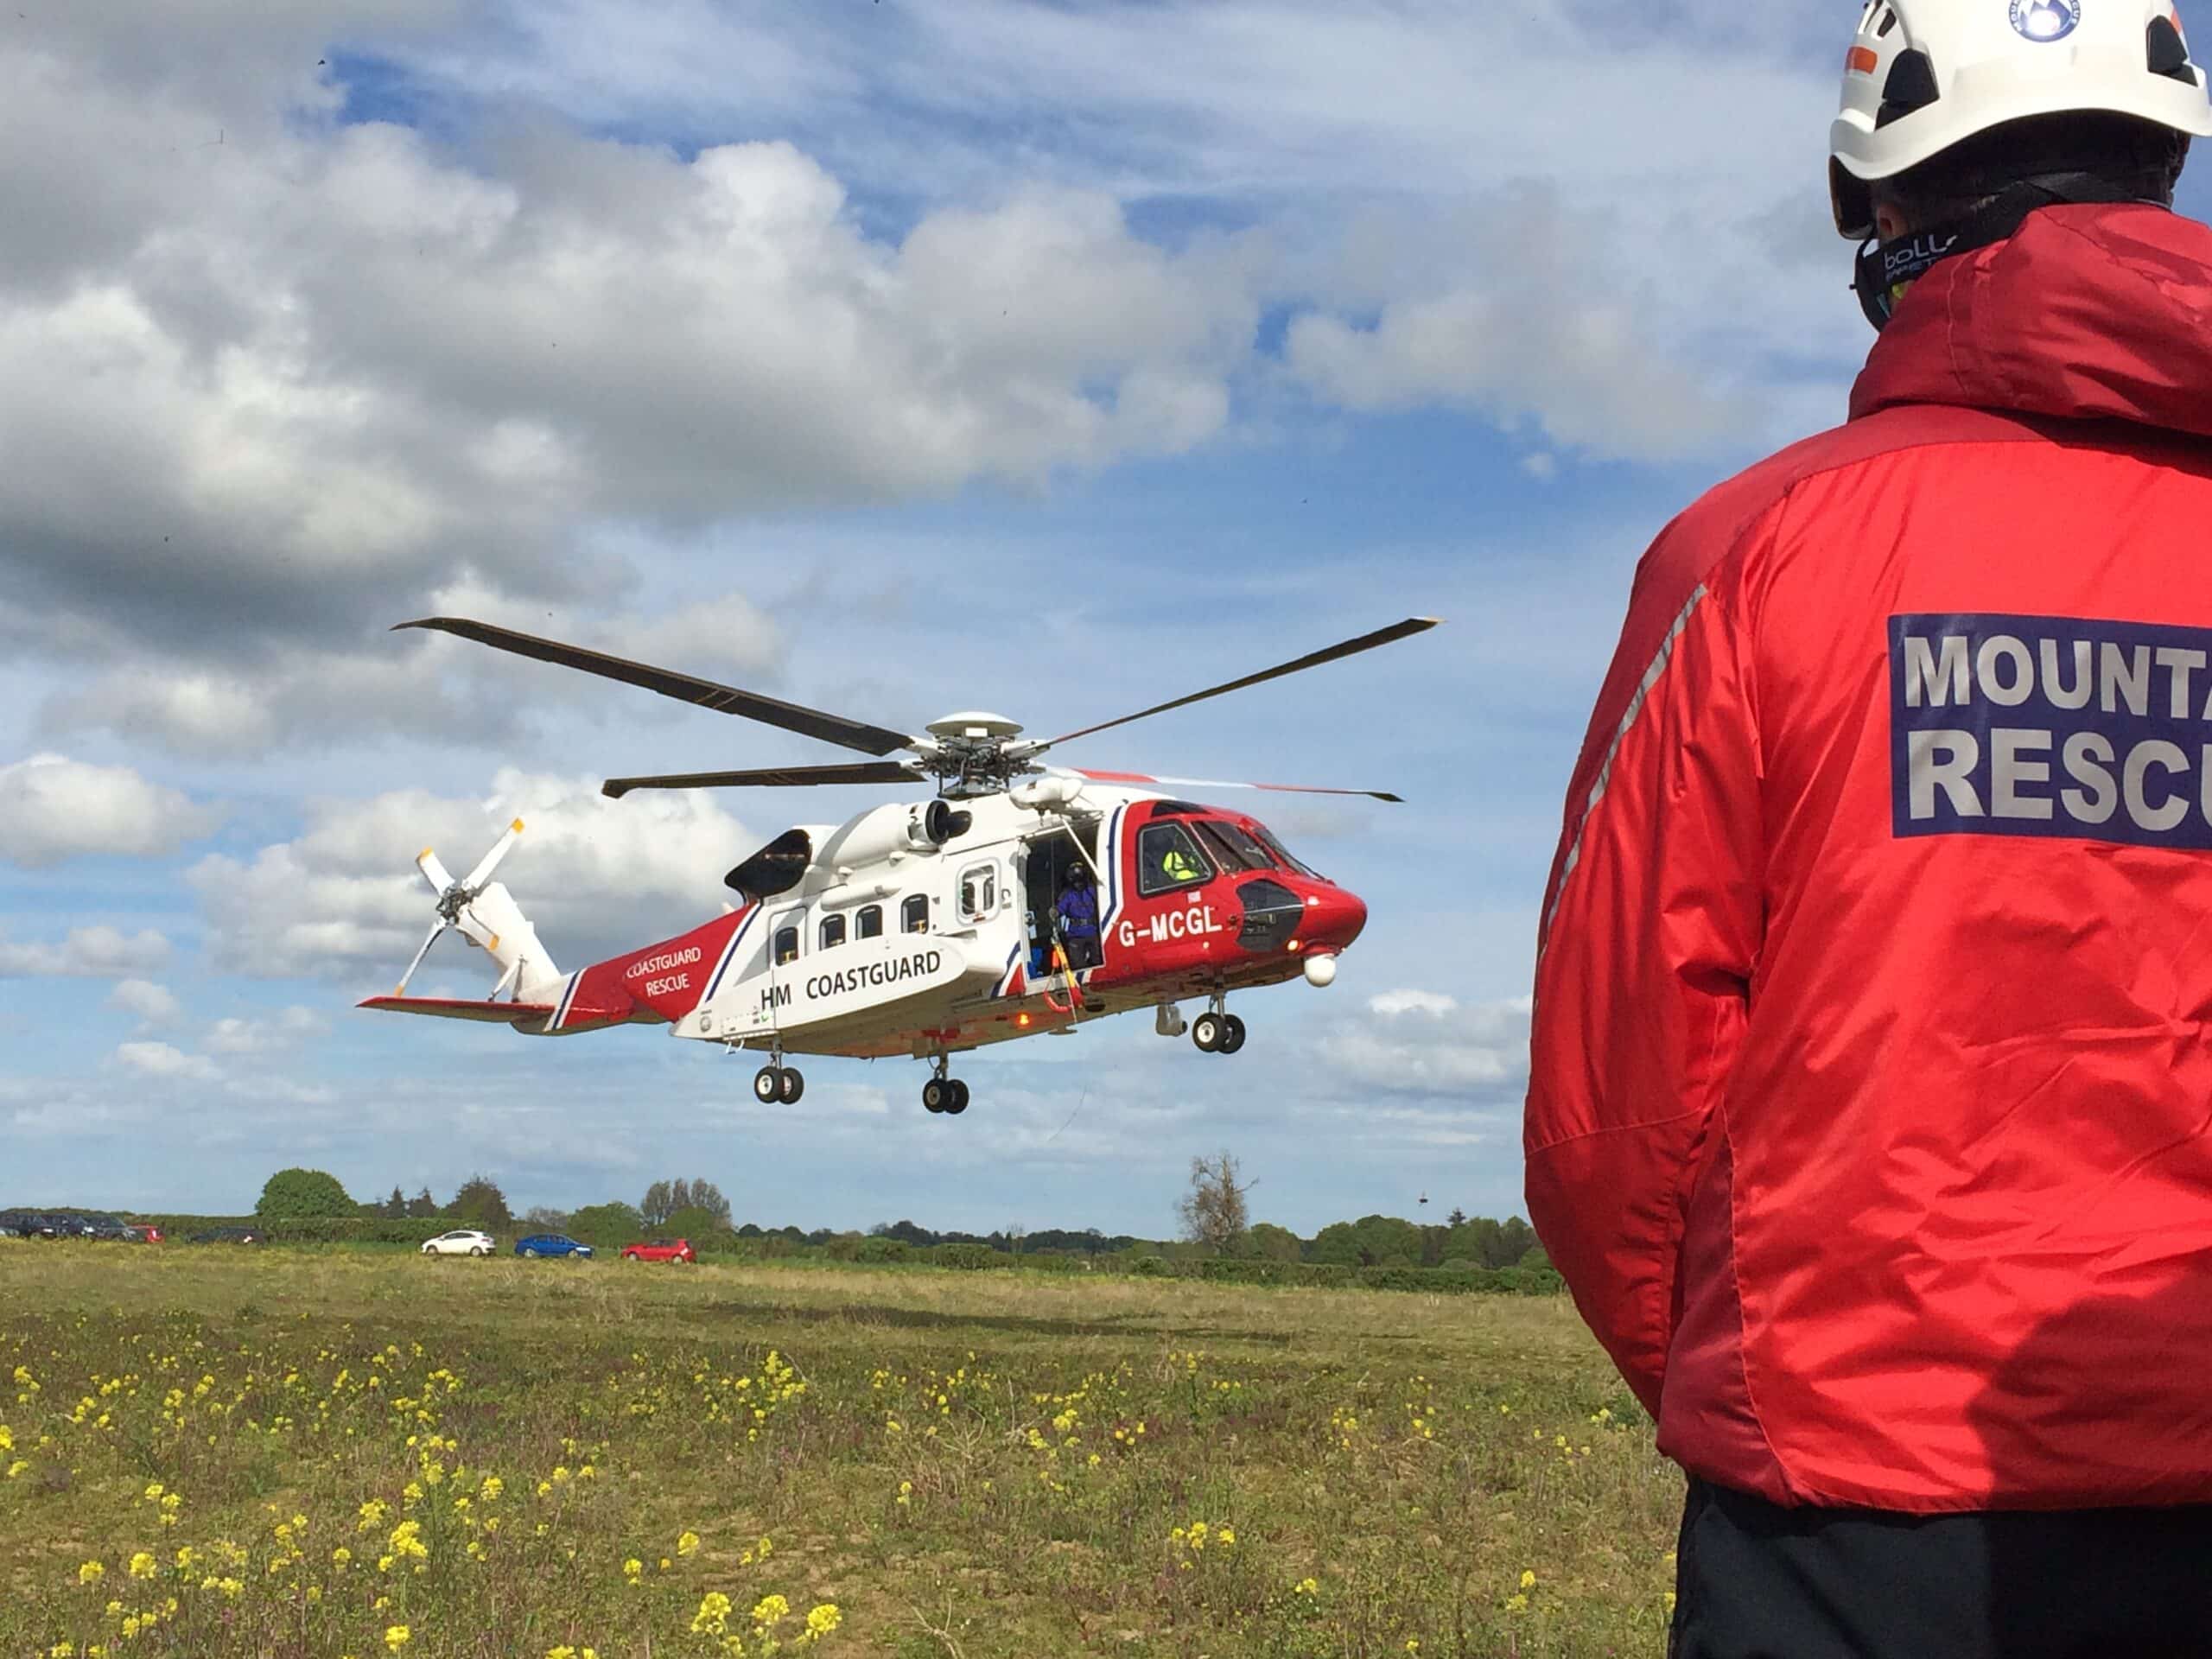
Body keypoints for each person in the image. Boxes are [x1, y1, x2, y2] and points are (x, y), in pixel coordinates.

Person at [1523, 4, 2212, 1654]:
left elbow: (1617, 1095)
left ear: (1884, 211)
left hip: (1850, 1515)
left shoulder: (1753, 548)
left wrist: (1749, 1378)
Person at [1053, 864, 1102, 970]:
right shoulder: (1068, 894)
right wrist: (1055, 912)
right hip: (1075, 935)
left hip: (1093, 932)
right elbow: (1060, 908)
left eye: (1080, 880)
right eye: (1075, 881)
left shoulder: (1092, 890)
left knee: (1098, 962)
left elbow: (1102, 902)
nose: (1078, 884)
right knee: (1078, 965)